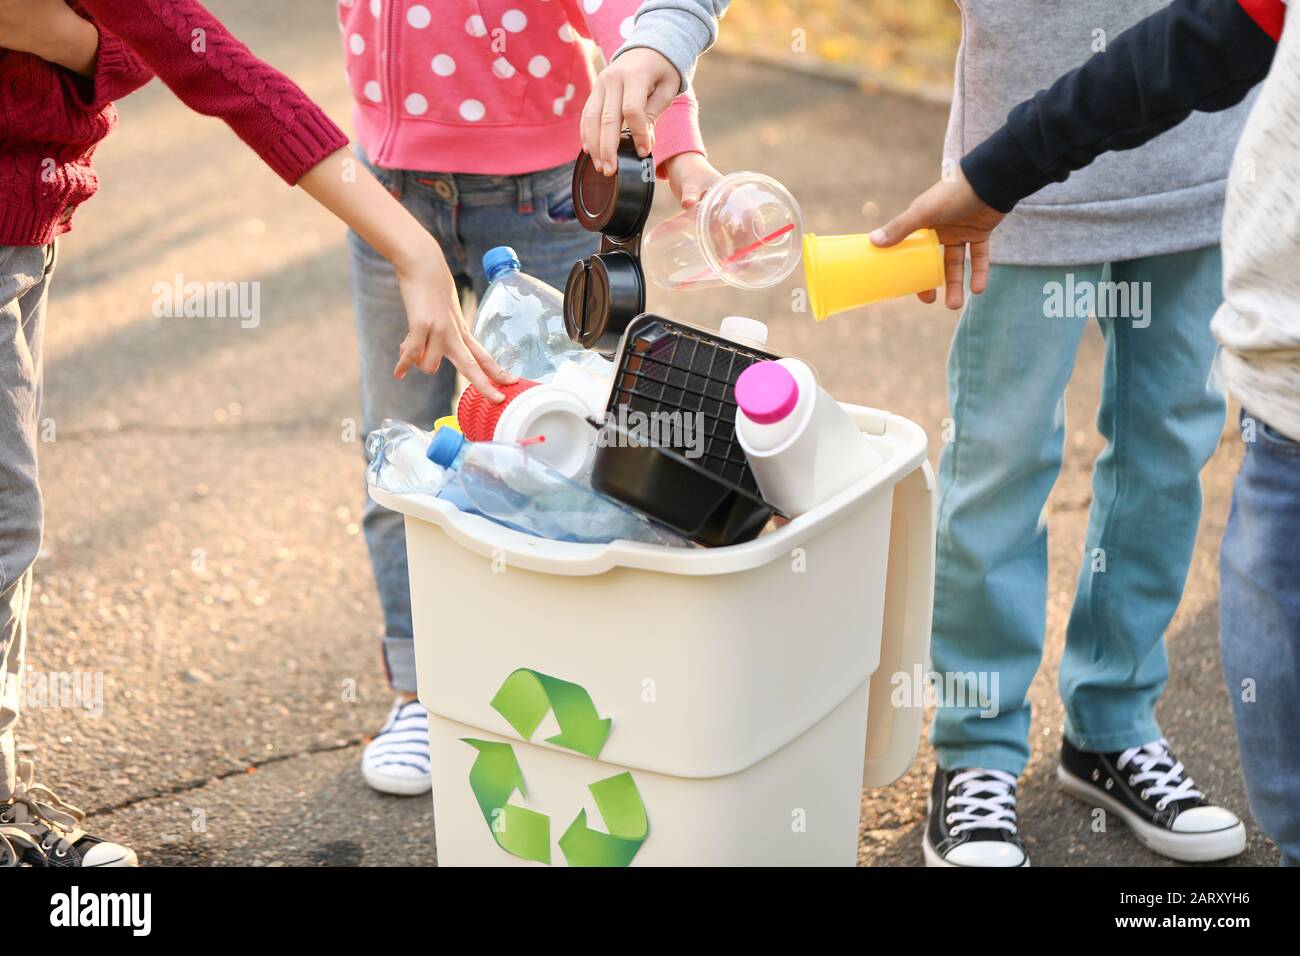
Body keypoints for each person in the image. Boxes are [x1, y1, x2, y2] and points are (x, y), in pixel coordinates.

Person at [0, 0, 508, 866]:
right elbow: (215, 69)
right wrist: (410, 247)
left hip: (20, 230)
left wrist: (77, 44)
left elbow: (186, 56)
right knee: (6, 524)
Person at [875, 0, 1294, 866]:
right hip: (1013, 173)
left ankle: (1112, 727)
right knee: (1001, 460)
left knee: (1170, 452)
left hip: (1203, 156)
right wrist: (670, 30)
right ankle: (977, 753)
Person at [337, 0, 723, 797]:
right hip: (387, 194)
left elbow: (629, 14)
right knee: (402, 448)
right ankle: (422, 692)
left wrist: (677, 148)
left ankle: (587, 688)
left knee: (582, 456)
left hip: (548, 195)